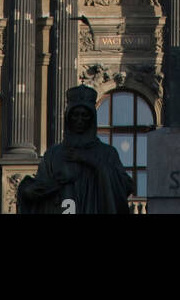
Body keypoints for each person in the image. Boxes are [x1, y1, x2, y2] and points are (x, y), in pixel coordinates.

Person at [17, 85, 134, 215]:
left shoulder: (107, 153)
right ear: (68, 117)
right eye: (75, 115)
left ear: (92, 118)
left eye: (85, 115)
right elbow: (37, 190)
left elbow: (125, 186)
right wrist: (55, 183)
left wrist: (92, 162)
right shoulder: (53, 154)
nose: (79, 120)